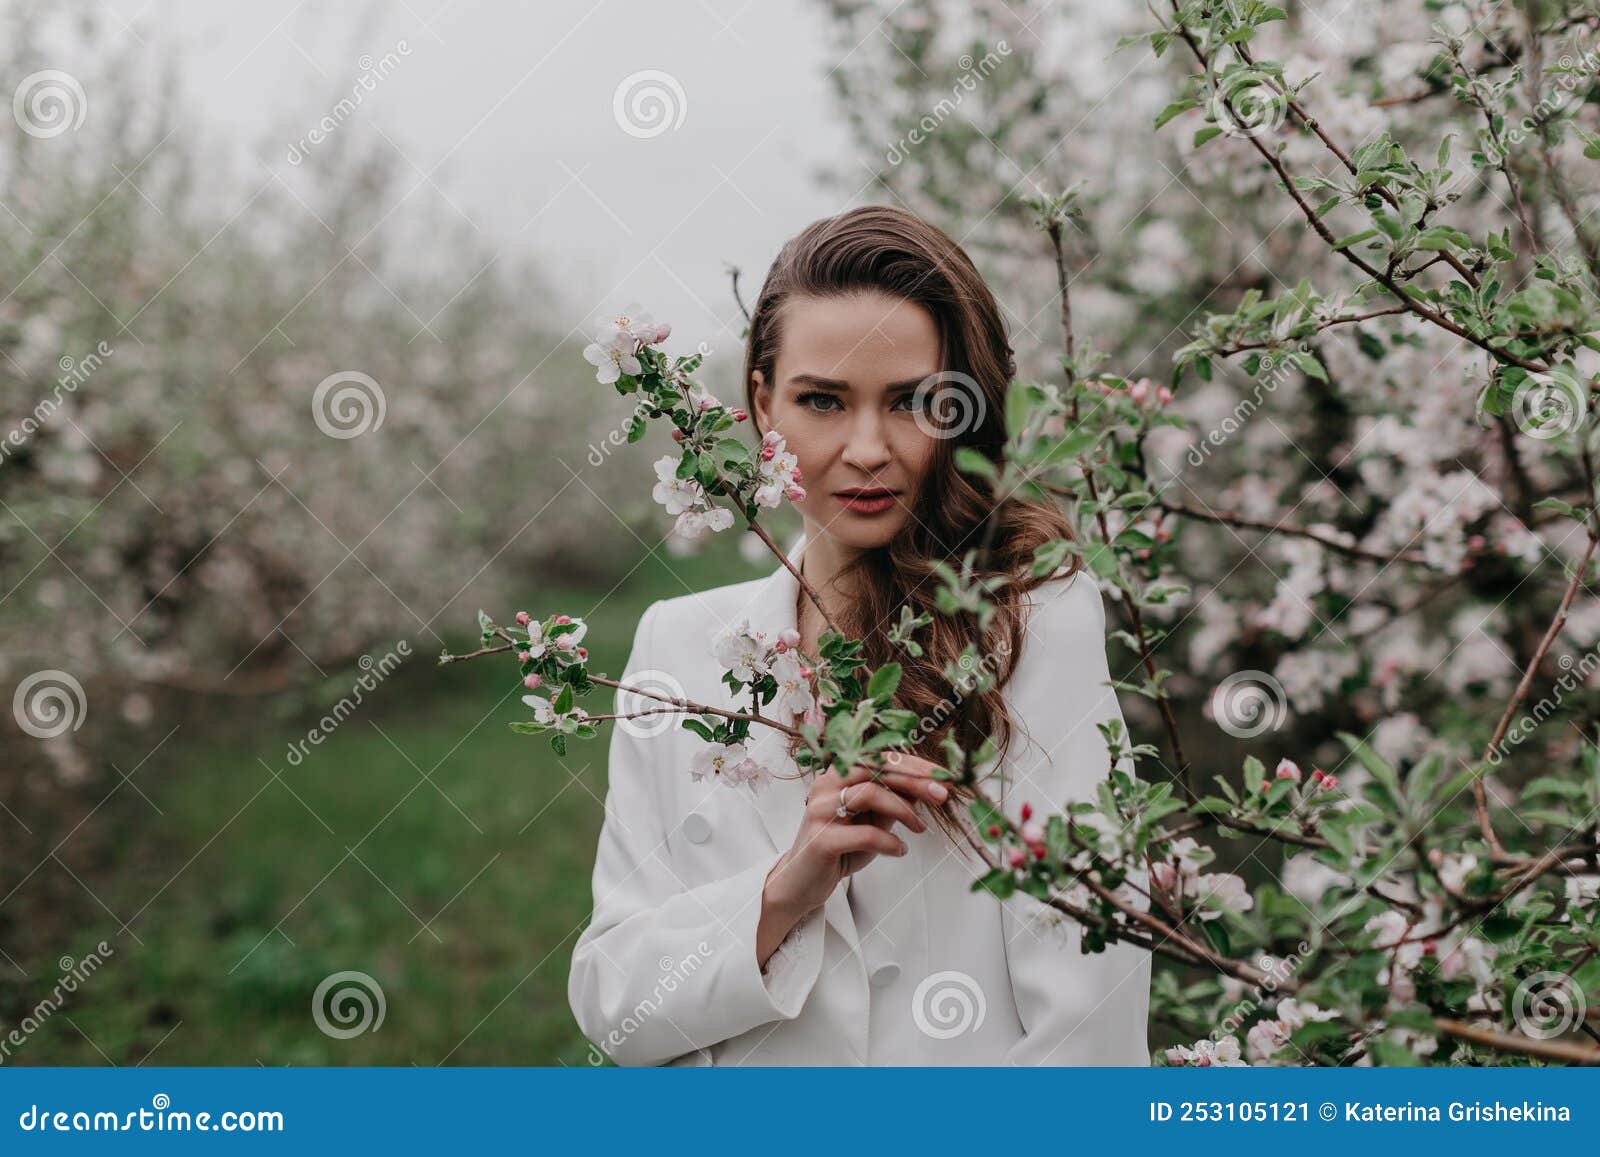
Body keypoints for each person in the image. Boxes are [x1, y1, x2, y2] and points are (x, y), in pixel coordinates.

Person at [567, 205, 1151, 1066]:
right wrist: (784, 890)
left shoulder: (1031, 615)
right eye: (823, 401)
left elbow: (1086, 1020)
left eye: (913, 402)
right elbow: (615, 1002)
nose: (868, 448)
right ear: (763, 403)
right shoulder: (679, 644)